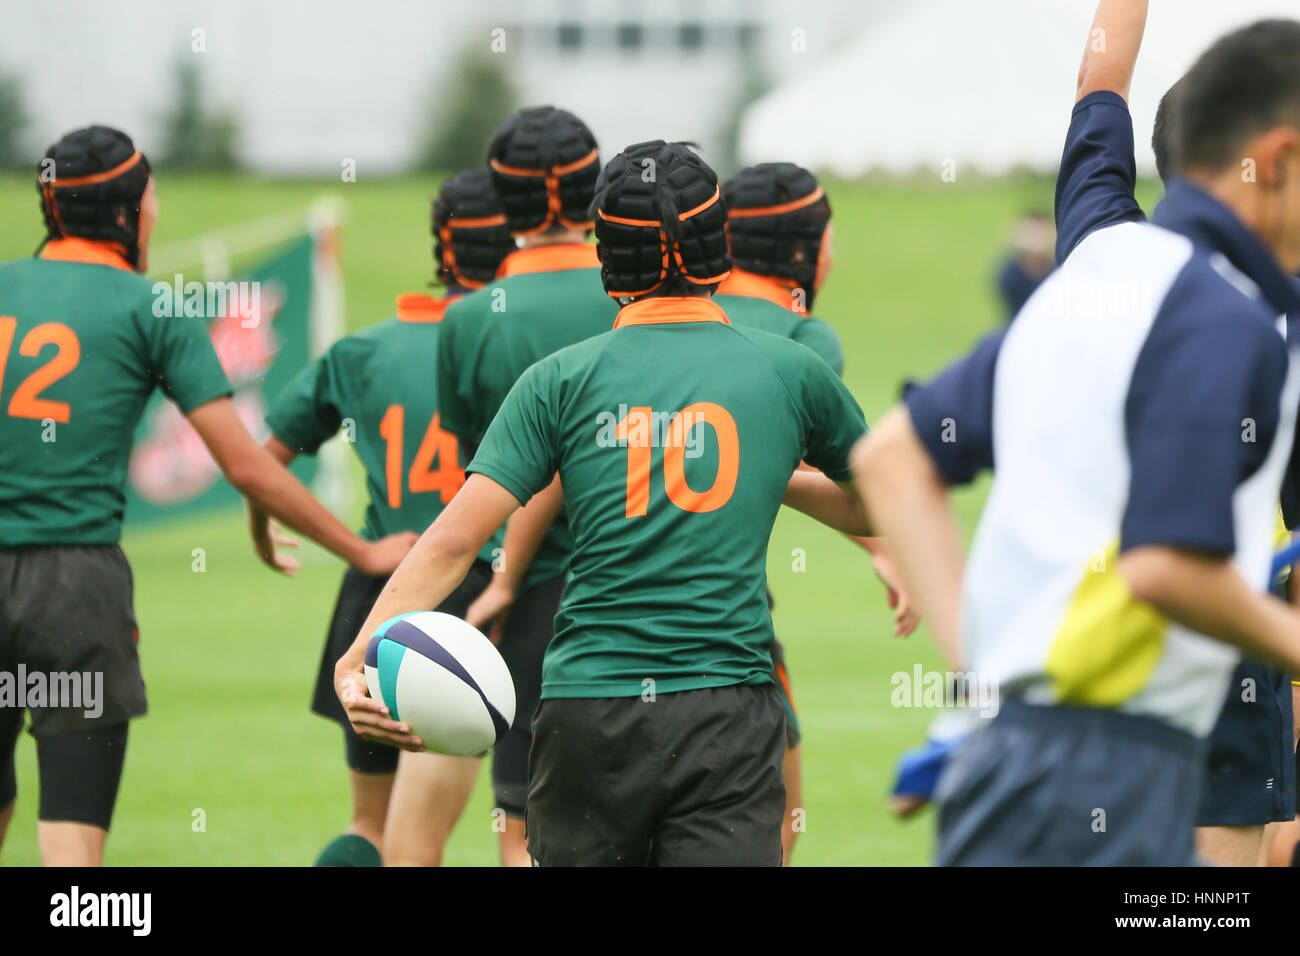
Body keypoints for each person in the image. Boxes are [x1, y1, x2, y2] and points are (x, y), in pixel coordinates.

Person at [337, 140, 873, 866]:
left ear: (608, 262)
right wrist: (763, 466)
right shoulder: (791, 371)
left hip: (587, 709)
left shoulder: (556, 381)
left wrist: (359, 654)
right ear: (719, 247)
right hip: (727, 712)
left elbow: (451, 544)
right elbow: (876, 508)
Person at [853, 3, 1300, 865]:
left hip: (1011, 752)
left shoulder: (1093, 266)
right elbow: (1165, 566)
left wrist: (981, 683)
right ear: (1276, 160)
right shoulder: (1229, 321)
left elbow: (890, 456)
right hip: (1127, 763)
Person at [0, 126, 413, 866]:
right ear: (127, 212)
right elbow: (248, 467)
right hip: (73, 592)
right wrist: (361, 549)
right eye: (152, 199)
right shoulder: (151, 309)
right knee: (70, 845)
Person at [249, 167, 514, 866]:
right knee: (451, 842)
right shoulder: (519, 346)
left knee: (370, 830)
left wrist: (350, 549)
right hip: (472, 599)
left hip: (377, 596)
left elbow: (262, 463)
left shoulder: (363, 350)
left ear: (442, 246)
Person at [717, 160, 917, 862]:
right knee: (776, 817)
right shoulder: (802, 338)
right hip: (718, 618)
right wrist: (888, 538)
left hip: (578, 619)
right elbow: (791, 464)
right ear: (809, 248)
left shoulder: (654, 309)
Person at [433, 105, 617, 865]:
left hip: (526, 603)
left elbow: (477, 468)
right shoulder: (630, 299)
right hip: (642, 588)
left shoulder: (469, 319)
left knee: (523, 825)